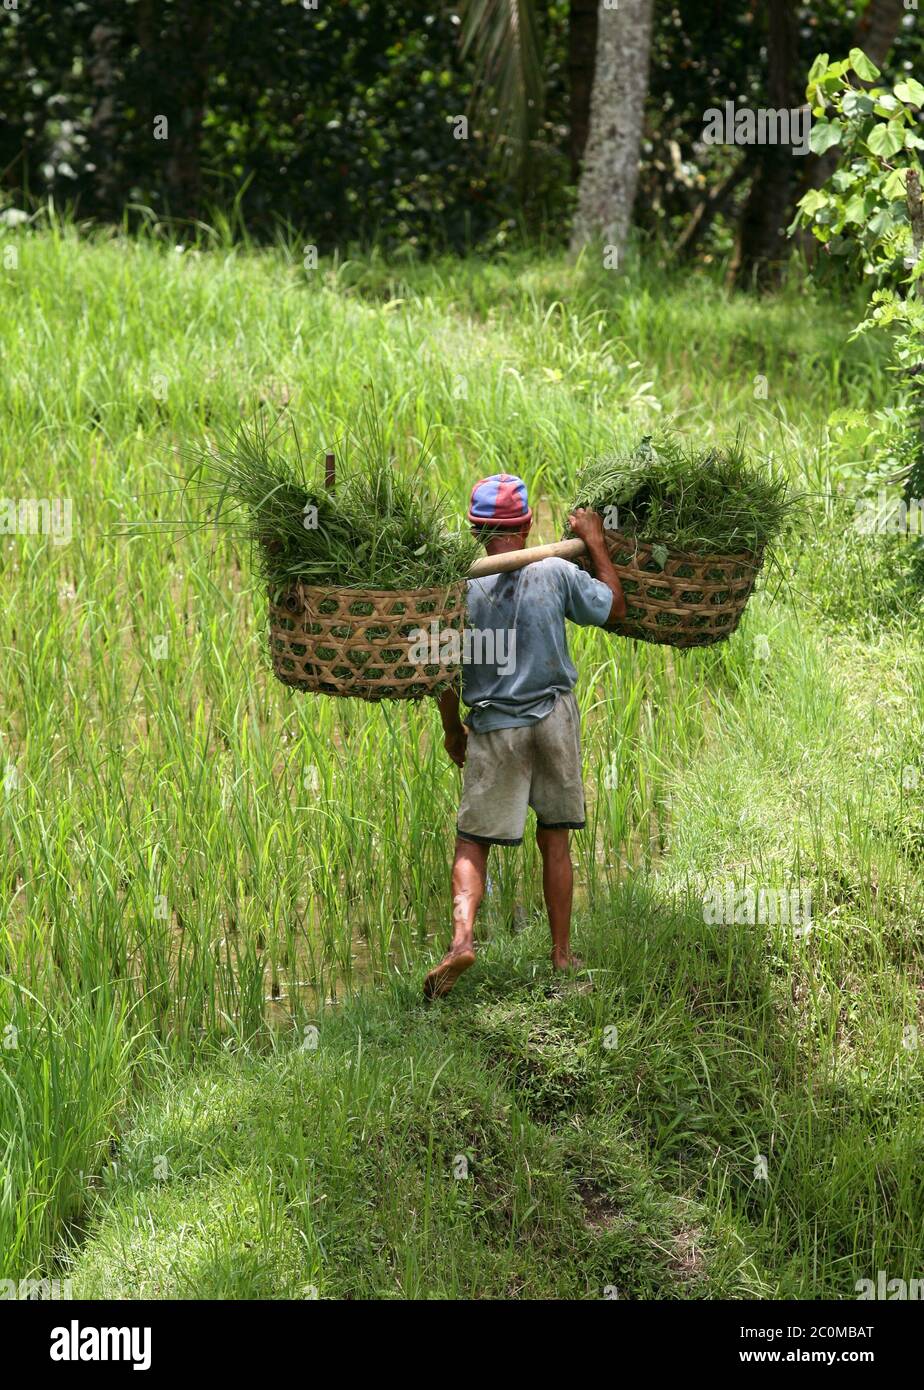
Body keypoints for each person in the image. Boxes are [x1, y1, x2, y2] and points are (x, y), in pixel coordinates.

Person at [424, 472, 626, 1000]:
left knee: (473, 842)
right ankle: (561, 957)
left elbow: (443, 674)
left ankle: (461, 941)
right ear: (528, 524)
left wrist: (453, 732)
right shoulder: (556, 571)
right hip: (554, 722)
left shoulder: (459, 592)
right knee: (554, 837)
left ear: (475, 531)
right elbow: (614, 606)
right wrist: (598, 544)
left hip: (495, 728)